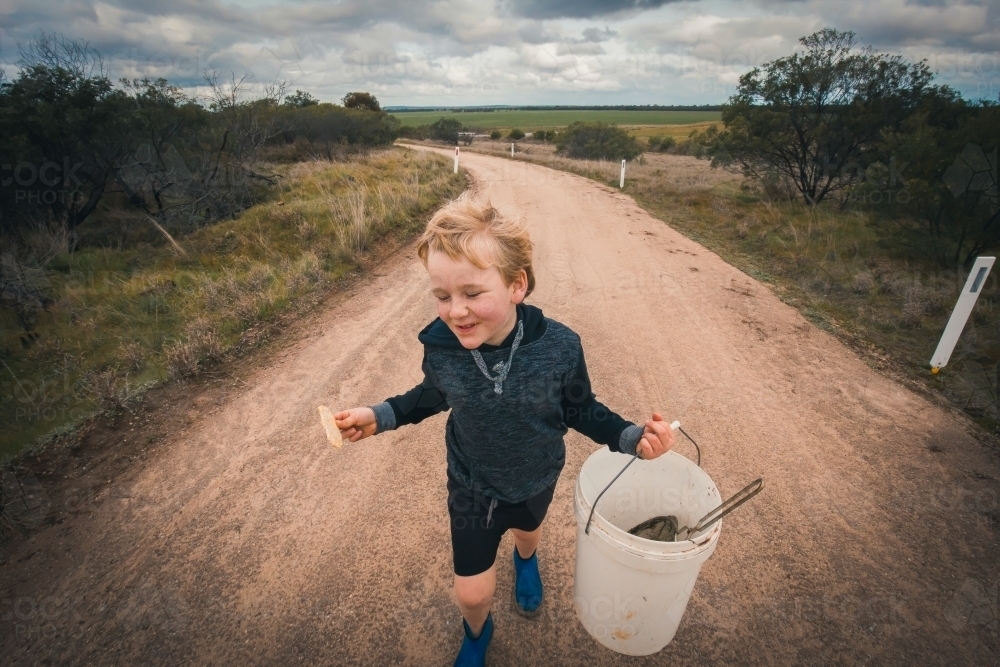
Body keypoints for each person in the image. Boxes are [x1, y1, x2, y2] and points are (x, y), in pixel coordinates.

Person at [334, 192, 676, 667]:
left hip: (536, 474)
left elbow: (581, 409)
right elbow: (431, 396)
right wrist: (380, 415)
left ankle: (526, 559)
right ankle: (478, 631)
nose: (455, 311)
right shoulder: (442, 349)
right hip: (471, 487)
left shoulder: (560, 346)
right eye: (442, 296)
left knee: (528, 528)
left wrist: (631, 437)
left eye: (472, 293)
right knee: (472, 594)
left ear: (517, 285)